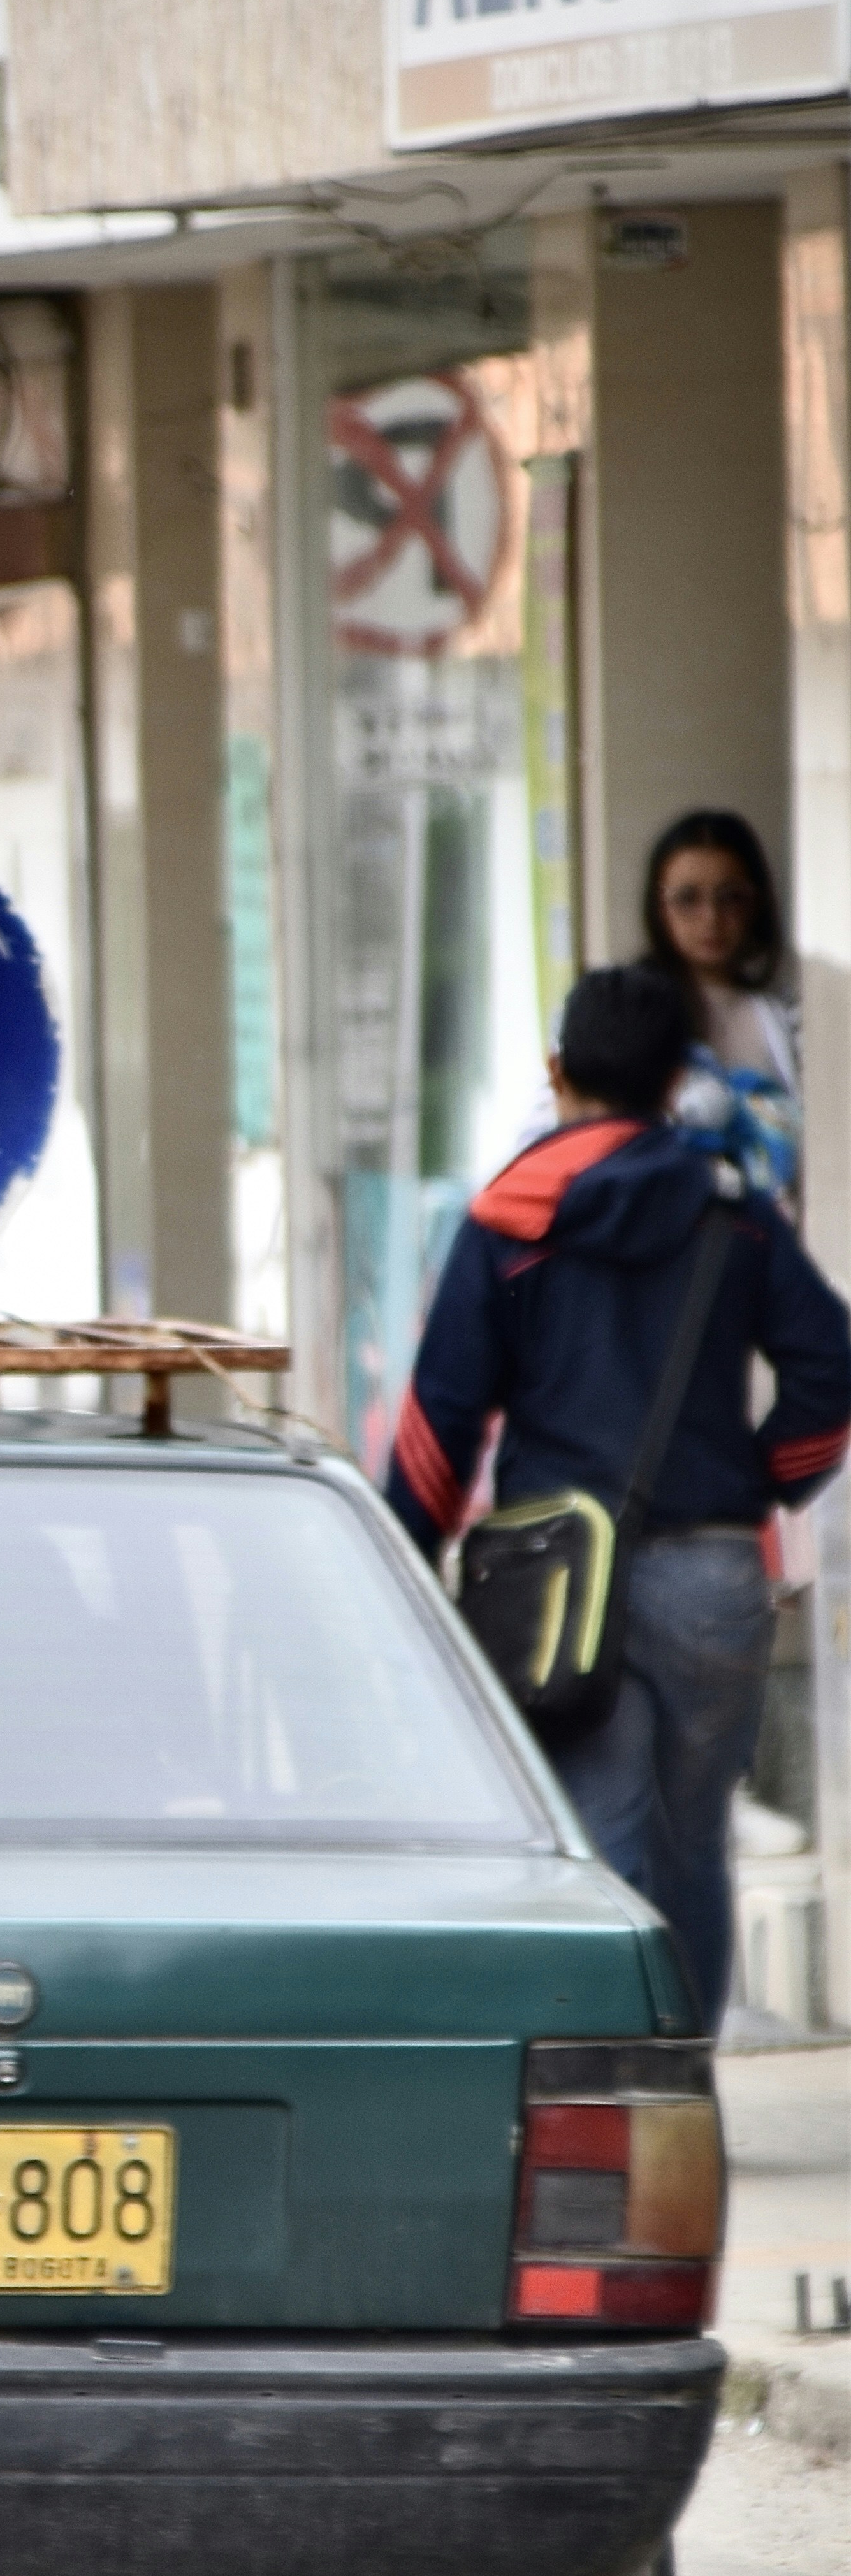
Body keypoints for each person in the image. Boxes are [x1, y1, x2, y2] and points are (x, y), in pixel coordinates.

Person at [385, 962, 850, 2030]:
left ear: (559, 1073)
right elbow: (830, 1372)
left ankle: (628, 2089)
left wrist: (401, 1569)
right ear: (675, 1079)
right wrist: (761, 1479)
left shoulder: (506, 1224)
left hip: (553, 1584)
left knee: (604, 1829)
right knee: (694, 1837)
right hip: (713, 1577)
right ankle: (683, 2079)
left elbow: (436, 1433)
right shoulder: (735, 1215)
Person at [639, 806, 801, 1210]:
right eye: (687, 900)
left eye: (730, 899)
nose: (710, 918)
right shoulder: (626, 1011)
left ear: (757, 903)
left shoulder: (789, 1017)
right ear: (659, 909)